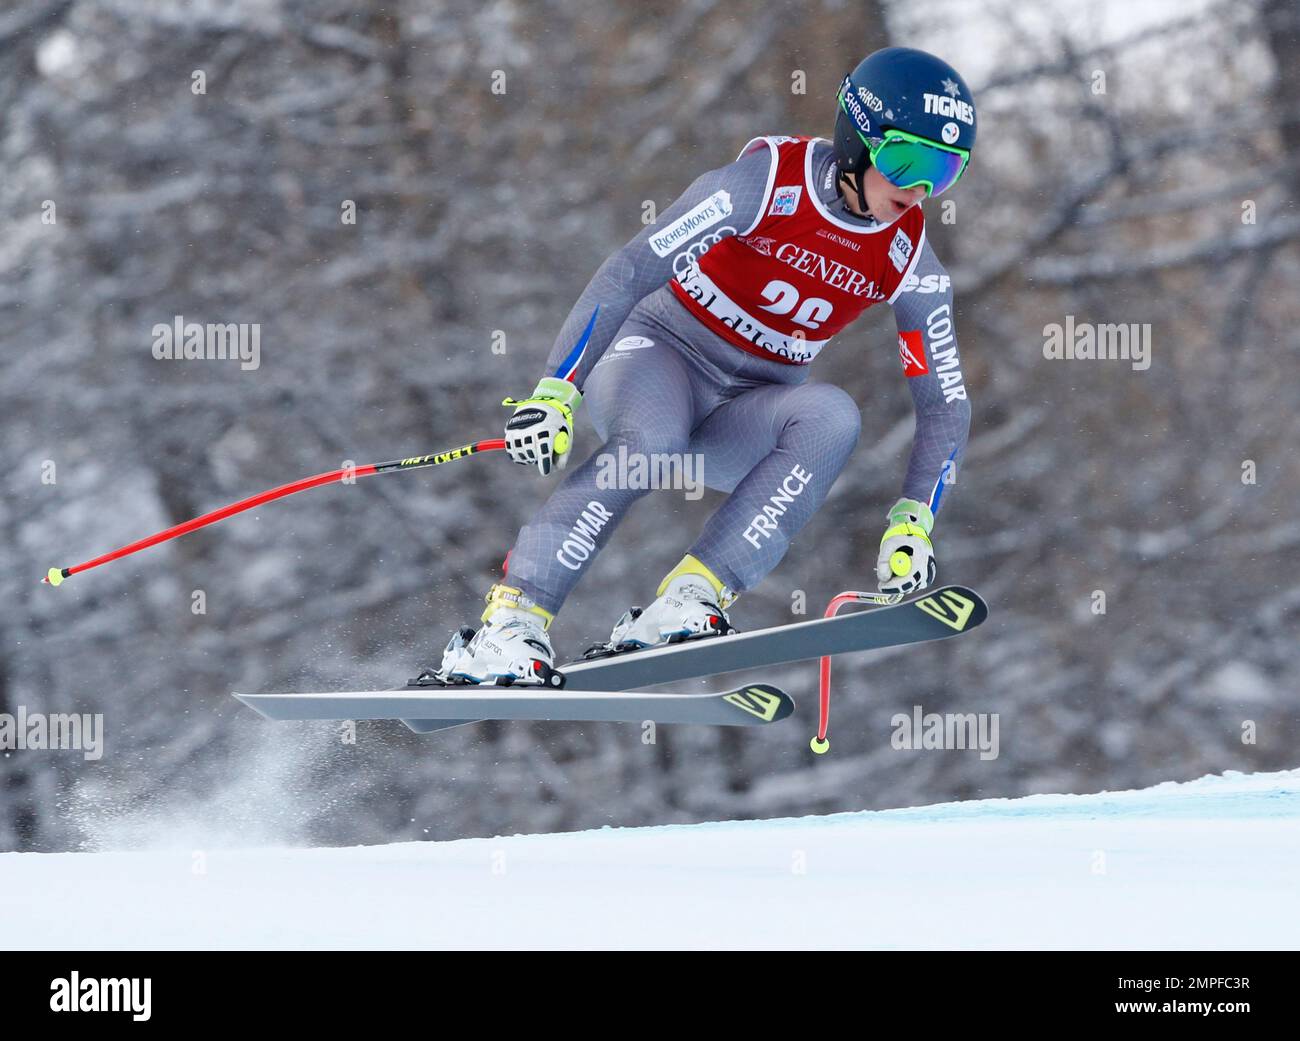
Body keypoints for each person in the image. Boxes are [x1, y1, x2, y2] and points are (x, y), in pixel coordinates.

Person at [438, 46, 976, 685]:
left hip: (743, 411)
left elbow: (943, 397)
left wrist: (915, 517)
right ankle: (511, 621)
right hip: (658, 357)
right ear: (857, 141)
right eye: (906, 161)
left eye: (942, 173)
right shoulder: (767, 183)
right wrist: (558, 389)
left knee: (833, 416)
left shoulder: (909, 258)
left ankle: (692, 595)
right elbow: (632, 268)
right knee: (653, 442)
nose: (918, 190)